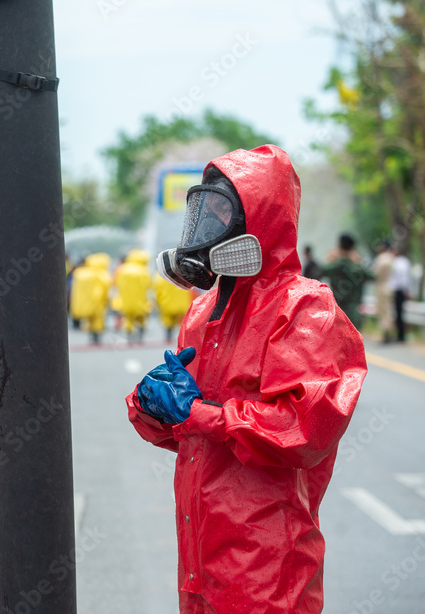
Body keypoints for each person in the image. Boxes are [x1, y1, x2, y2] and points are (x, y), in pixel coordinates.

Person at [130, 145, 366, 613]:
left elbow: (303, 431)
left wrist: (200, 415)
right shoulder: (202, 310)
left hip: (267, 567)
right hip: (199, 557)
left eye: (224, 212)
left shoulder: (303, 308)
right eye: (205, 211)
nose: (208, 228)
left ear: (261, 220)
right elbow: (185, 432)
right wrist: (149, 404)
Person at [320, 233, 373, 328]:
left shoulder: (333, 266)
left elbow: (315, 274)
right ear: (353, 248)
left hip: (336, 312)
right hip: (353, 313)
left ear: (339, 246)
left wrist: (329, 260)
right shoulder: (357, 268)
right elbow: (372, 276)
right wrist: (358, 262)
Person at [70, 253, 112, 343]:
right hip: (98, 302)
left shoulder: (81, 272)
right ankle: (97, 336)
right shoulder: (101, 274)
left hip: (86, 304)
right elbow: (106, 288)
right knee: (98, 320)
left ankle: (91, 335)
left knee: (89, 320)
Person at [113, 249, 153, 341]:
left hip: (126, 302)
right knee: (141, 319)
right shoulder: (143, 270)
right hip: (140, 302)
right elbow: (149, 285)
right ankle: (140, 335)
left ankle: (129, 335)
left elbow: (116, 284)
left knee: (128, 320)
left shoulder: (122, 269)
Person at [153, 271, 193, 341]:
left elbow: (158, 292)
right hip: (181, 305)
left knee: (168, 325)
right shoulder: (183, 273)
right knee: (182, 327)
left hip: (167, 306)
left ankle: (168, 339)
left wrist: (159, 304)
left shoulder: (161, 276)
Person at [371, 240, 396, 342]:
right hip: (389, 286)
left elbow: (375, 274)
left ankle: (386, 335)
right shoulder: (391, 258)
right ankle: (389, 333)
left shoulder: (380, 259)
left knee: (382, 311)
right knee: (388, 311)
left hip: (381, 286)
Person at [390, 244, 412, 342]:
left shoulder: (398, 263)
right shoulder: (405, 262)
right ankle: (400, 334)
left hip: (399, 290)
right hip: (401, 290)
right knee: (398, 312)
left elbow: (401, 279)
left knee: (399, 312)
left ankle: (401, 335)